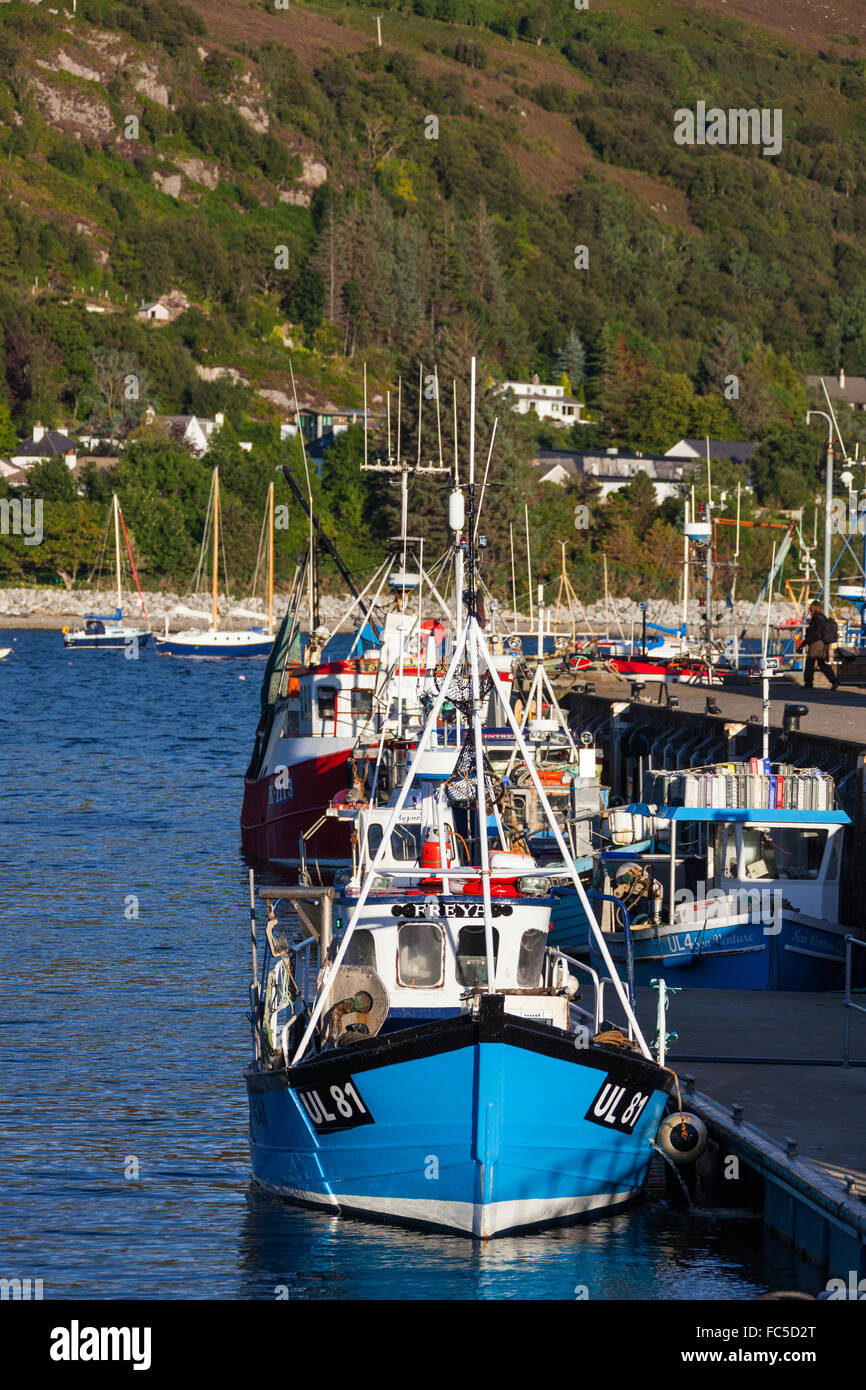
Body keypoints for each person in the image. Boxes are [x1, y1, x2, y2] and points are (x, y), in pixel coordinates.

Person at [799, 601, 838, 690]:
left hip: (816, 644)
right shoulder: (823, 617)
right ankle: (834, 680)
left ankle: (808, 683)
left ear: (812, 608)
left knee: (810, 663)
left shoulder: (816, 618)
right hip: (824, 644)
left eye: (810, 608)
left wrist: (805, 643)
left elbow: (813, 633)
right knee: (822, 663)